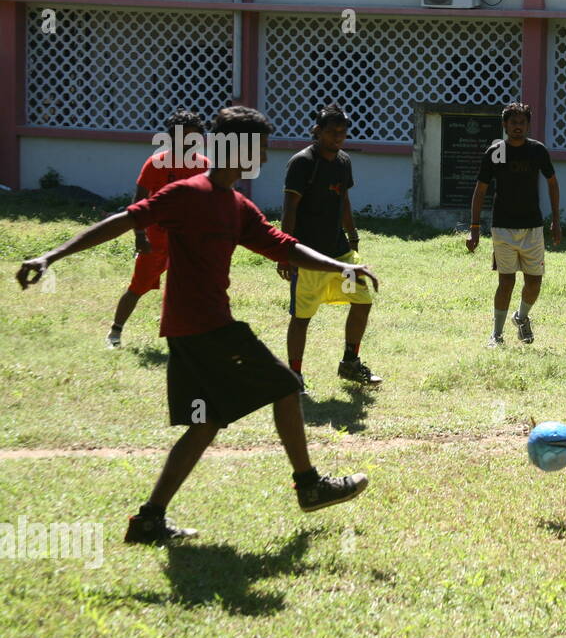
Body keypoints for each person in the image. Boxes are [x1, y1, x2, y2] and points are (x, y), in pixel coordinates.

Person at [15, 106, 378, 544]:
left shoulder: (236, 205)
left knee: (205, 423)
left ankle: (149, 520)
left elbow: (283, 245)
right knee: (284, 387)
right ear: (237, 148)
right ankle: (310, 486)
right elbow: (125, 219)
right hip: (207, 327)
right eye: (257, 150)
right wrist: (49, 256)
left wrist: (340, 267)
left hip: (188, 330)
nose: (260, 159)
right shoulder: (189, 193)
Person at [277, 104, 380, 386]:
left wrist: (353, 235)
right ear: (317, 131)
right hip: (308, 255)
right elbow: (289, 210)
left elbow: (343, 200)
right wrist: (284, 254)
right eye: (332, 132)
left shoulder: (343, 161)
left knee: (361, 301)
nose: (338, 137)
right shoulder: (302, 163)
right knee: (302, 316)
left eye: (342, 133)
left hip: (340, 253)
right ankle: (294, 376)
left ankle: (350, 363)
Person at [106, 110, 209, 349]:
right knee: (137, 288)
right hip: (156, 239)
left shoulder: (205, 166)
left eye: (195, 137)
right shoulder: (156, 164)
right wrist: (139, 235)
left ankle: (188, 339)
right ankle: (115, 333)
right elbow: (139, 201)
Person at [466, 102, 561, 346]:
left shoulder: (537, 151)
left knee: (534, 282)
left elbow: (552, 183)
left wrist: (556, 221)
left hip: (533, 227)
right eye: (513, 122)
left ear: (528, 125)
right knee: (505, 282)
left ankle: (521, 317)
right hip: (503, 227)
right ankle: (496, 334)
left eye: (522, 122)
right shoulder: (495, 152)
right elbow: (480, 190)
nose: (518, 127)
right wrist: (474, 228)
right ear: (505, 125)